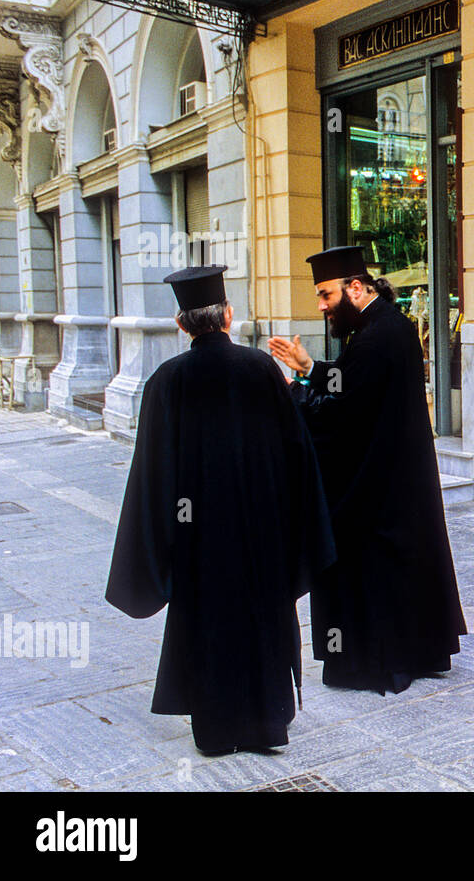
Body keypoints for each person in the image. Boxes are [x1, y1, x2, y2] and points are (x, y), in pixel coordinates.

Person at [106, 266, 335, 756]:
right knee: (264, 621)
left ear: (181, 324)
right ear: (229, 315)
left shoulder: (166, 381)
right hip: (263, 532)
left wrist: (159, 546)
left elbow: (151, 477)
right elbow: (298, 454)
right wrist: (299, 527)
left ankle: (215, 731)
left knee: (207, 625)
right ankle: (268, 724)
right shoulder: (260, 369)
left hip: (198, 539)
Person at [268, 246, 466, 694]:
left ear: (355, 288)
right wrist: (310, 368)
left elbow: (342, 415)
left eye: (325, 294)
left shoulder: (376, 336)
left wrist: (293, 396)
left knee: (374, 573)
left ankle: (378, 662)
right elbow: (353, 382)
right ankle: (418, 652)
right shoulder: (386, 327)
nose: (321, 306)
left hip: (376, 487)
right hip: (399, 479)